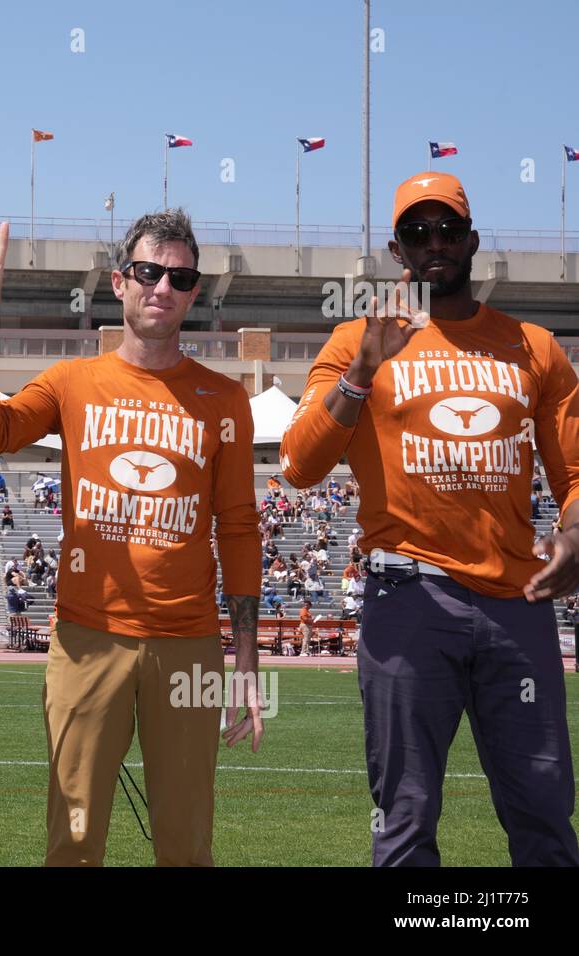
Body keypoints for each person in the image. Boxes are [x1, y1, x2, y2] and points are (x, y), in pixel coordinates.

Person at [280, 170, 579, 866]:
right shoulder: (358, 339)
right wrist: (360, 373)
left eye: (447, 230)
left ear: (472, 240)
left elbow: (573, 473)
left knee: (543, 812)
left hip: (518, 603)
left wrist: (573, 533)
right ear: (396, 250)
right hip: (408, 599)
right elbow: (298, 464)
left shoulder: (533, 346)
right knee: (406, 819)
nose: (434, 244)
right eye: (418, 233)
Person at [0, 208, 263, 866]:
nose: (163, 287)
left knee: (186, 845)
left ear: (194, 292)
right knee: (72, 843)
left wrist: (246, 661)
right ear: (120, 282)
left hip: (188, 646)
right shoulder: (73, 383)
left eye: (180, 278)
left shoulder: (225, 400)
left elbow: (239, 529)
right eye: (149, 272)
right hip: (86, 638)